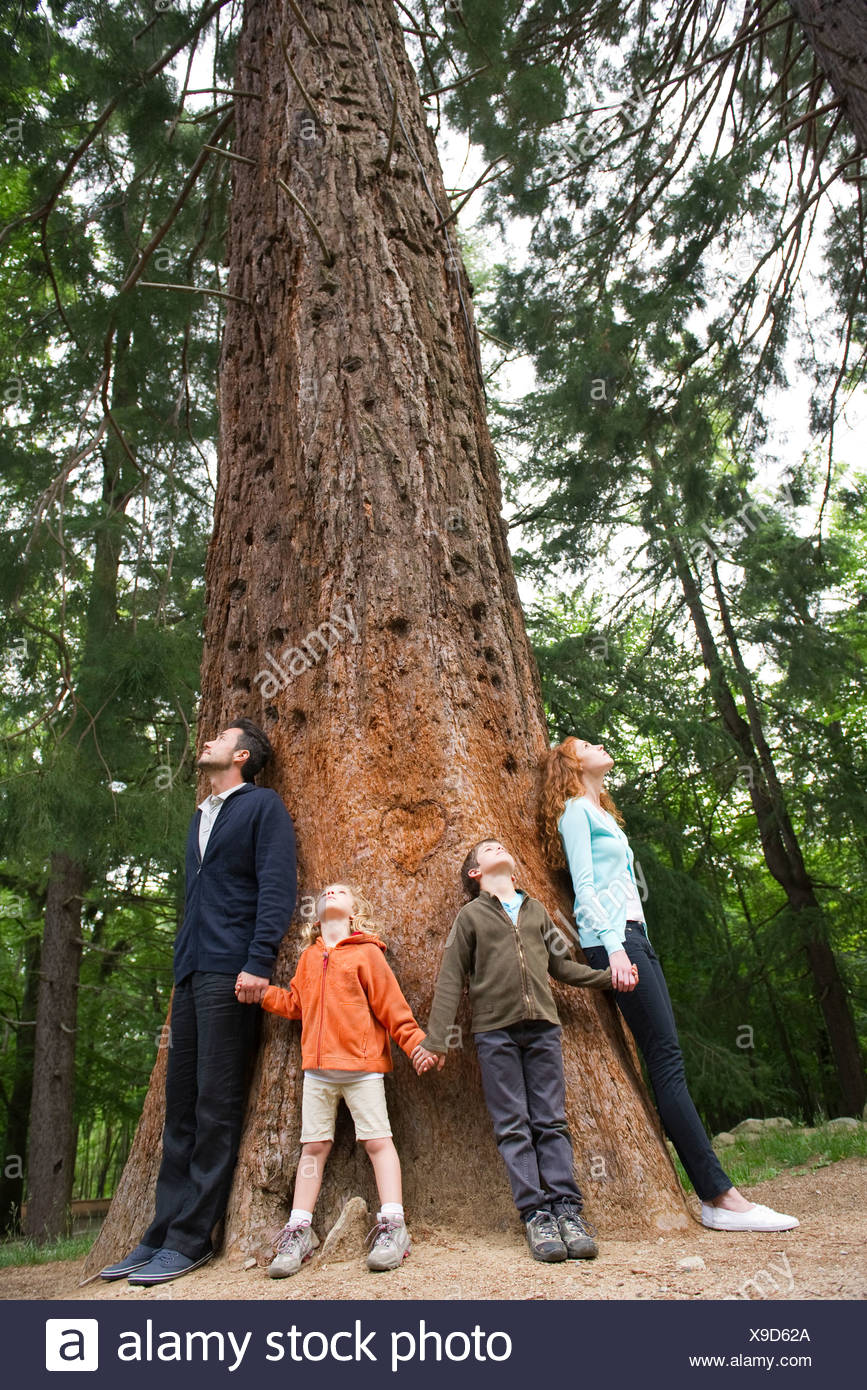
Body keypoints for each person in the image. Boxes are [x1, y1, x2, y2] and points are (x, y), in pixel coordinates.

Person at [538, 735, 799, 1233]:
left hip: (635, 939)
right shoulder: (575, 812)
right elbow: (585, 889)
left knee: (666, 1060)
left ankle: (718, 1194)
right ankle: (720, 1197)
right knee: (667, 1064)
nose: (598, 744)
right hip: (615, 944)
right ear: (571, 764)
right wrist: (613, 947)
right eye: (585, 743)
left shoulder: (601, 812)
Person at [99, 718, 297, 1285]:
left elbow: (278, 886)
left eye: (218, 738)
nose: (206, 741)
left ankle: (193, 1239)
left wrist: (258, 962)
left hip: (233, 970)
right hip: (190, 973)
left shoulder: (263, 807)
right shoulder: (200, 815)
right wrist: (180, 965)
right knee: (180, 1105)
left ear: (241, 756)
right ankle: (160, 1232)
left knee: (215, 1103)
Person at [417, 838, 633, 1263]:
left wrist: (607, 978)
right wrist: (436, 1038)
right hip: (494, 1033)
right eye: (488, 849)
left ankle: (567, 1211)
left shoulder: (535, 911)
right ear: (475, 874)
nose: (498, 849)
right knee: (513, 1124)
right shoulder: (470, 917)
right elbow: (450, 978)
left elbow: (562, 966)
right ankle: (536, 1215)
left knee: (551, 1121)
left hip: (544, 1031)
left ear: (514, 872)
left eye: (501, 846)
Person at [261, 882, 436, 1276]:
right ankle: (299, 1229)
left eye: (341, 891)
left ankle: (393, 1222)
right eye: (326, 891)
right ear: (316, 912)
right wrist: (263, 995)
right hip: (318, 1073)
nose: (331, 893)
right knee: (313, 1147)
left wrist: (416, 1045)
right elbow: (295, 1004)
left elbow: (393, 1008)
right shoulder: (308, 957)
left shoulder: (367, 954)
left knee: (377, 1141)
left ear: (354, 912)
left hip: (363, 1068)